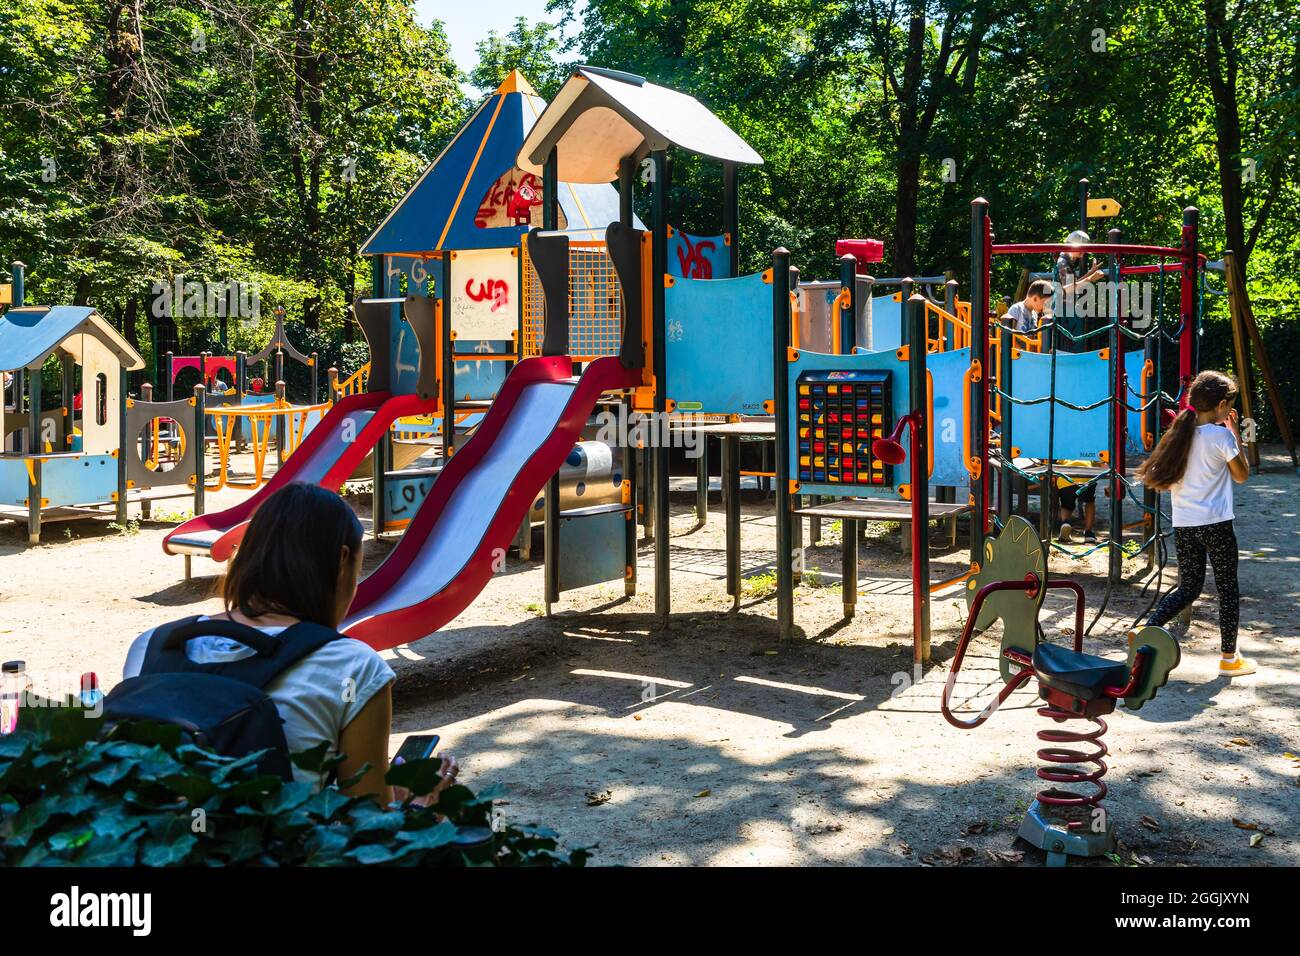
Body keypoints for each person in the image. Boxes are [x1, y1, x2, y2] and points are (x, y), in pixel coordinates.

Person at [123, 482, 460, 798]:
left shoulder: (151, 646)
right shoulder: (353, 666)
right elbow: (369, 827)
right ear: (342, 561)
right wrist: (421, 805)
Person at [1137, 371, 1253, 677]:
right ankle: (1229, 658)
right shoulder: (1221, 436)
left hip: (1185, 524)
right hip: (1216, 523)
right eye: (1230, 404)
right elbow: (1241, 475)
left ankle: (1148, 630)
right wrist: (1235, 434)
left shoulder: (1177, 435)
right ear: (1222, 405)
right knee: (1228, 589)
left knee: (1188, 587)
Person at [1054, 230, 1105, 350]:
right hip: (1065, 313)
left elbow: (1072, 285)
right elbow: (1068, 289)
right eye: (1081, 250)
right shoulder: (1063, 263)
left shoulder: (1066, 262)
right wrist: (1091, 279)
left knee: (1072, 345)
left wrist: (1090, 273)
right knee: (1068, 347)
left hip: (1067, 312)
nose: (1083, 254)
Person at [1055, 465, 1097, 544]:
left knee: (1066, 505)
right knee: (1089, 501)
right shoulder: (1092, 452)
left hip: (1066, 479)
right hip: (1086, 480)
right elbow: (1104, 466)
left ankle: (1065, 523)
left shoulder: (1061, 452)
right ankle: (1088, 533)